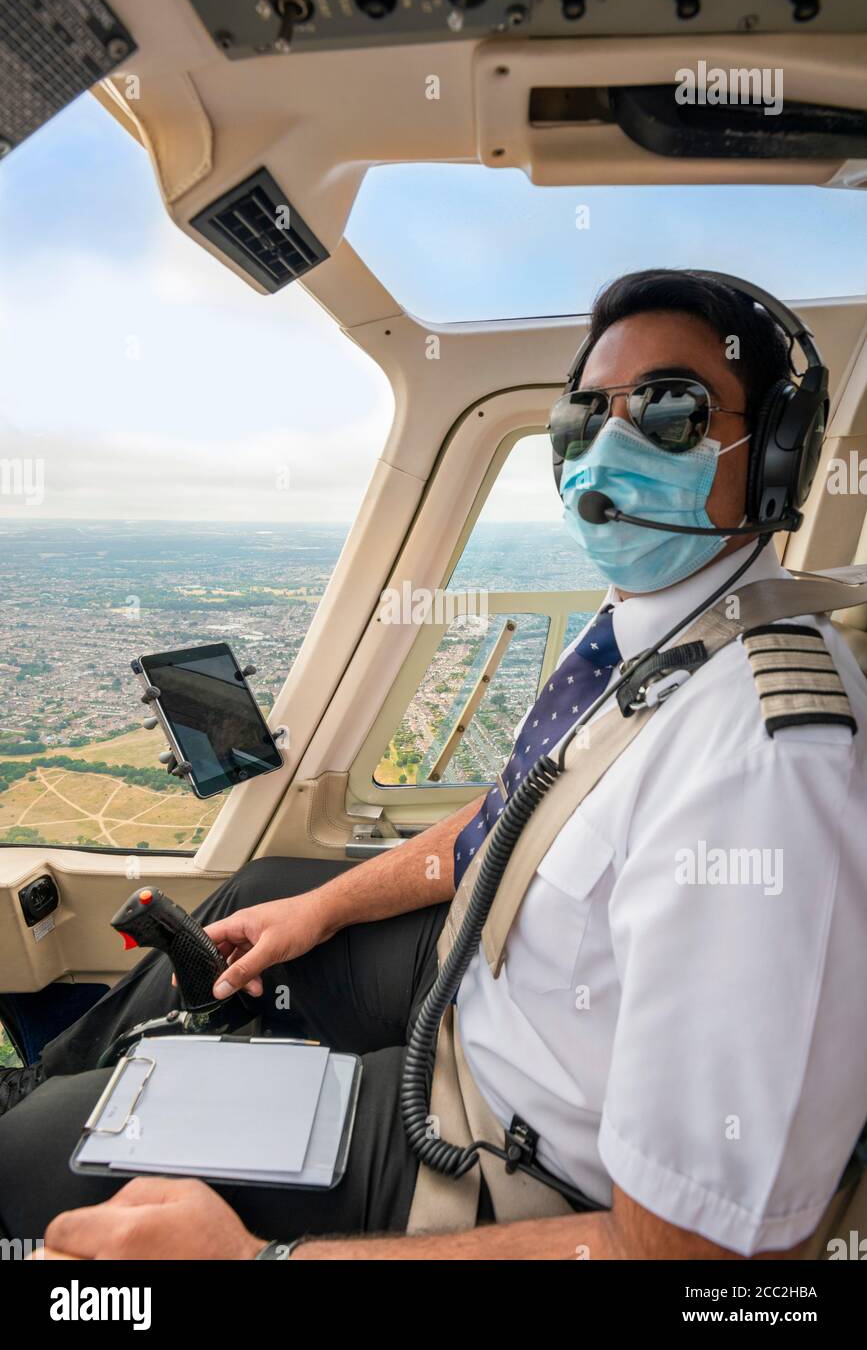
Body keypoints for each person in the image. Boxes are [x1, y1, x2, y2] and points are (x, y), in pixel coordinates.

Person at [2, 269, 865, 1261]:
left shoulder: (763, 768)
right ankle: (64, 1078)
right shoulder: (658, 637)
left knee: (35, 1156)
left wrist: (257, 1264)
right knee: (257, 898)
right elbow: (515, 811)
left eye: (669, 408)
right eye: (586, 414)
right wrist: (321, 910)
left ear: (776, 455)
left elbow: (686, 1259)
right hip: (478, 988)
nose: (609, 442)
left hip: (508, 1159)